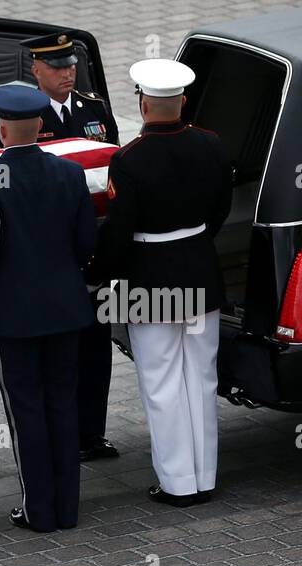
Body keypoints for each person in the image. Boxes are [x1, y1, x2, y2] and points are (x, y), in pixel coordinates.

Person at [89, 60, 234, 508]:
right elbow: (220, 210)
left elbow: (119, 229)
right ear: (183, 103)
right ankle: (204, 476)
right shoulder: (211, 145)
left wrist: (98, 275)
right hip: (198, 269)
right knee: (201, 378)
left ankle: (178, 483)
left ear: (143, 103)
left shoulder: (128, 159)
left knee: (161, 382)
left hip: (149, 280)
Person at [0, 85, 96, 533]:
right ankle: (67, 508)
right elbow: (85, 244)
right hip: (66, 308)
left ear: (0, 127)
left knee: (26, 412)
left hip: (15, 315)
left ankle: (39, 509)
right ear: (40, 125)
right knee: (62, 404)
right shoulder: (70, 174)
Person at [24, 31, 121, 463]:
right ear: (36, 70)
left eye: (71, 65)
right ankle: (61, 431)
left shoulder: (94, 109)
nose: (68, 72)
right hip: (51, 251)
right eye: (58, 67)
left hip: (93, 248)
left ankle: (92, 431)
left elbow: (112, 170)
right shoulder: (27, 116)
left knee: (97, 345)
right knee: (60, 350)